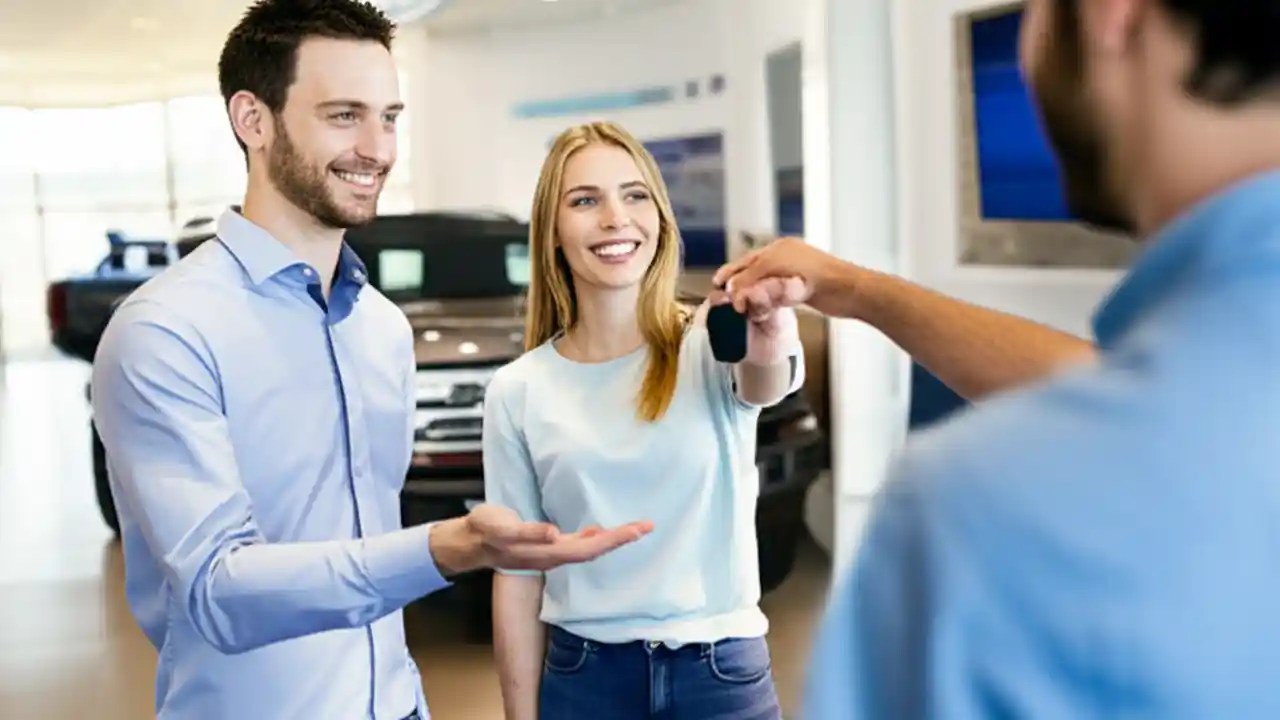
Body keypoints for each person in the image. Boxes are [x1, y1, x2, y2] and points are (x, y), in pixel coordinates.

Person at [715, 0, 1280, 717]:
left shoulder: (979, 518)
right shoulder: (1218, 413)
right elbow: (1136, 396)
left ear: (1112, 15)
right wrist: (856, 288)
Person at [89, 2, 650, 718]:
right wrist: (446, 548)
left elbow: (363, 546)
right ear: (252, 119)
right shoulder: (165, 332)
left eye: (389, 117)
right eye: (344, 115)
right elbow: (217, 592)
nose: (378, 149)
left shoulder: (380, 328)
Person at [481, 120, 804, 720]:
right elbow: (517, 574)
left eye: (634, 195)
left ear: (659, 214)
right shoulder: (517, 390)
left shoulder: (710, 342)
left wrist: (772, 328)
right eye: (585, 200)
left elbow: (766, 380)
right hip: (585, 679)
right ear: (552, 231)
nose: (615, 218)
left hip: (720, 673)